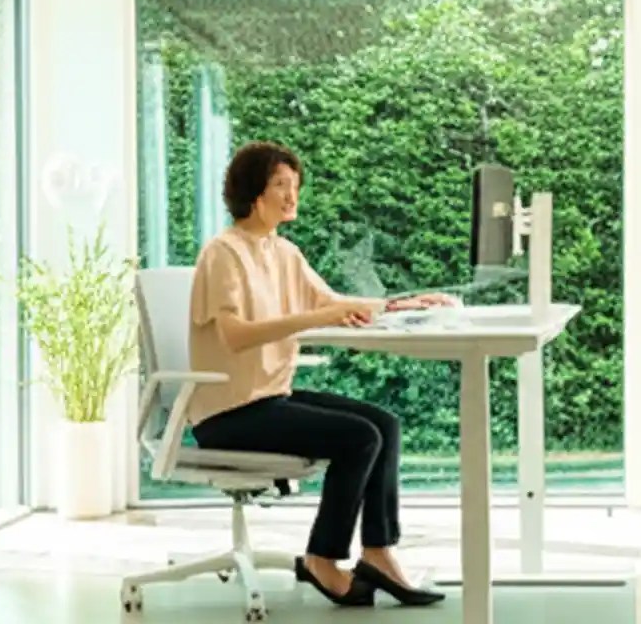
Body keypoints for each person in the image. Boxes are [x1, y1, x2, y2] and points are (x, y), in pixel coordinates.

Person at [186, 140, 453, 608]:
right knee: (358, 438)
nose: (292, 196)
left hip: (269, 397)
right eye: (280, 186)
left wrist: (400, 304)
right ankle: (323, 559)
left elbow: (330, 303)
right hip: (228, 412)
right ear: (253, 192)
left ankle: (377, 551)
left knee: (384, 424)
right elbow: (235, 336)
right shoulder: (223, 253)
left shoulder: (282, 251)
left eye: (295, 186)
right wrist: (312, 318)